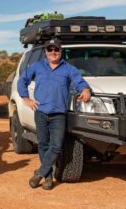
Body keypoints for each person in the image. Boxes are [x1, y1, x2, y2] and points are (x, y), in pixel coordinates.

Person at [17, 39, 91, 190]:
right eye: (50, 50)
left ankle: (40, 174)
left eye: (56, 49)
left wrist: (86, 90)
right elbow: (22, 81)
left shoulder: (68, 69)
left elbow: (79, 81)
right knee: (43, 144)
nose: (53, 52)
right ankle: (49, 177)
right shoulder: (37, 66)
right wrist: (26, 98)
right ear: (45, 52)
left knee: (56, 146)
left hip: (59, 114)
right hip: (41, 112)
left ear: (60, 51)